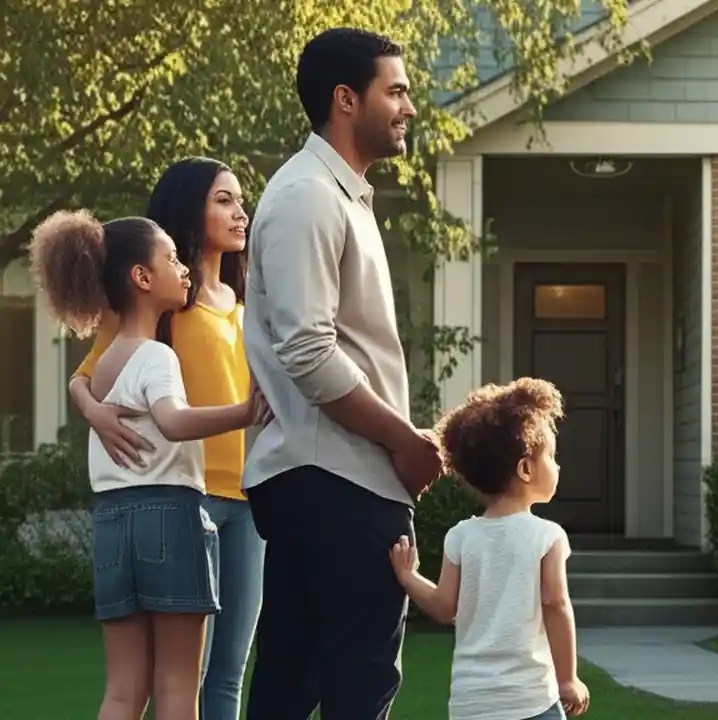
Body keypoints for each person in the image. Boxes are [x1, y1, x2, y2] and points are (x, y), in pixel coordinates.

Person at [241, 27, 443, 719]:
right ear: (345, 100)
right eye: (398, 91)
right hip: (337, 480)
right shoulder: (307, 197)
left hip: (334, 480)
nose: (410, 106)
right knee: (354, 683)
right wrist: (403, 441)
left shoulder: (340, 196)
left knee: (295, 682)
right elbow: (308, 351)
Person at [28, 209, 268, 720]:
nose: (184, 270)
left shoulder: (109, 358)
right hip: (171, 517)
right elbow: (174, 421)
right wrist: (246, 411)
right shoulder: (157, 356)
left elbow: (83, 387)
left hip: (112, 524)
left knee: (123, 691)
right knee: (180, 686)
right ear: (141, 277)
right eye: (173, 260)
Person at [389, 378, 590, 720]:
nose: (557, 466)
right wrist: (567, 678)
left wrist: (409, 578)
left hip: (472, 704)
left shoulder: (461, 536)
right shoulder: (547, 536)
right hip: (531, 701)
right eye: (552, 457)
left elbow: (442, 607)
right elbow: (556, 604)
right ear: (525, 469)